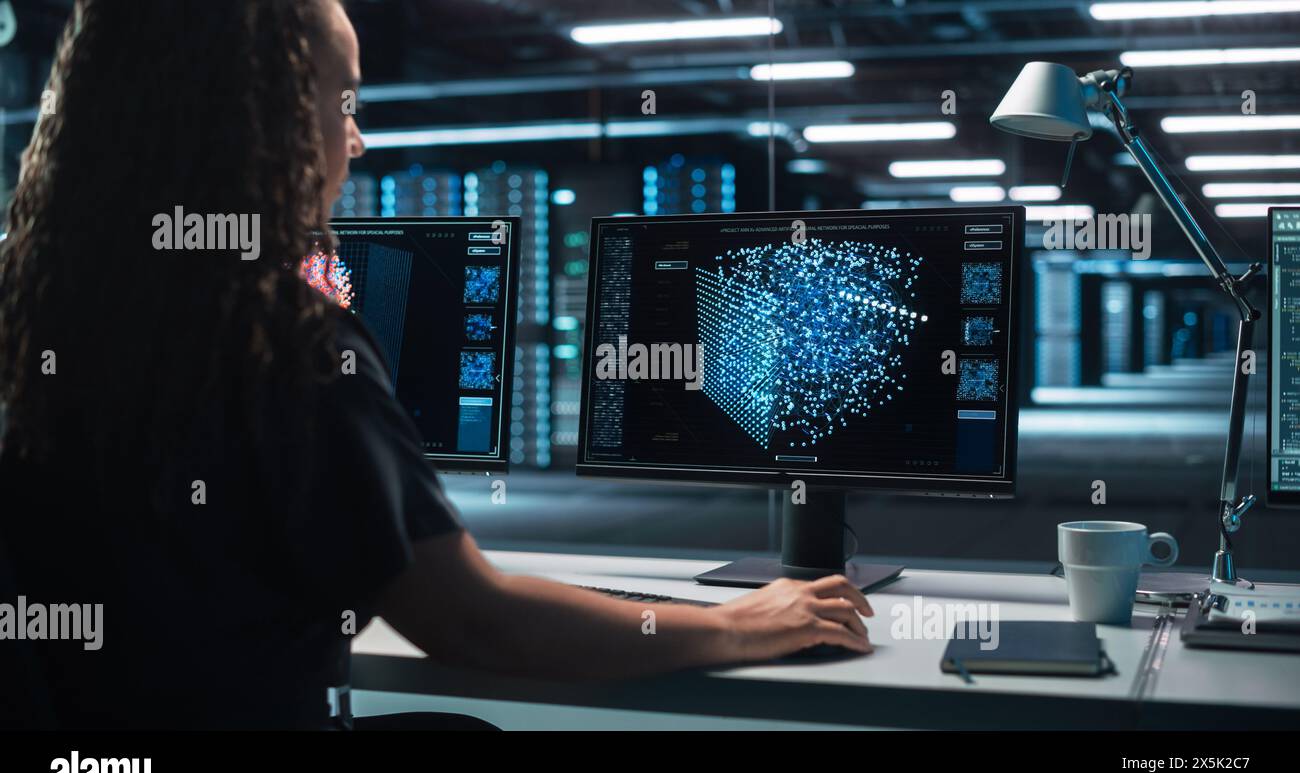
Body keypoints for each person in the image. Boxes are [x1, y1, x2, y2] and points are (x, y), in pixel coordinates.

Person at [0, 0, 872, 730]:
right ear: (252, 122)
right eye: (341, 104)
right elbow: (477, 622)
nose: (359, 143)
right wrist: (740, 623)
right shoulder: (283, 344)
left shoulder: (33, 313)